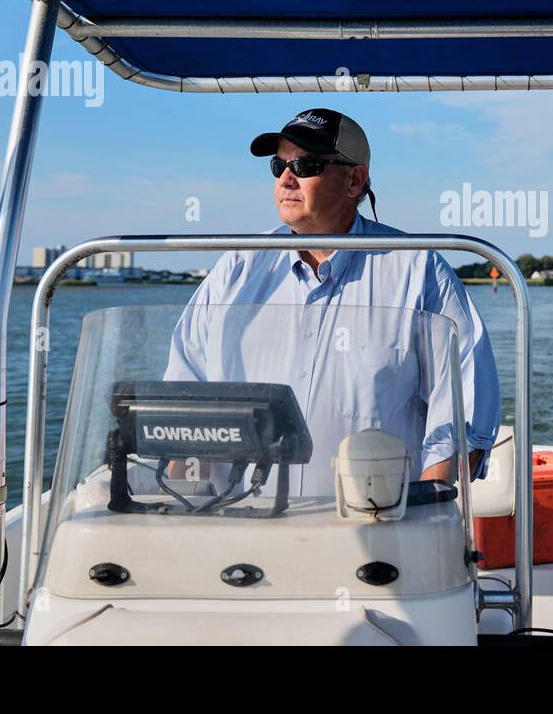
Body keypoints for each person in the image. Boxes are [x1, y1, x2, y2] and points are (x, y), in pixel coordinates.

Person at [165, 108, 500, 497]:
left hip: (376, 534)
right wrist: (185, 509)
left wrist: (424, 518)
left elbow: (464, 414)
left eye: (305, 166)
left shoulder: (418, 269)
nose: (286, 179)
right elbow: (186, 400)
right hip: (242, 527)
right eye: (279, 166)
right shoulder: (235, 270)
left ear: (354, 181)